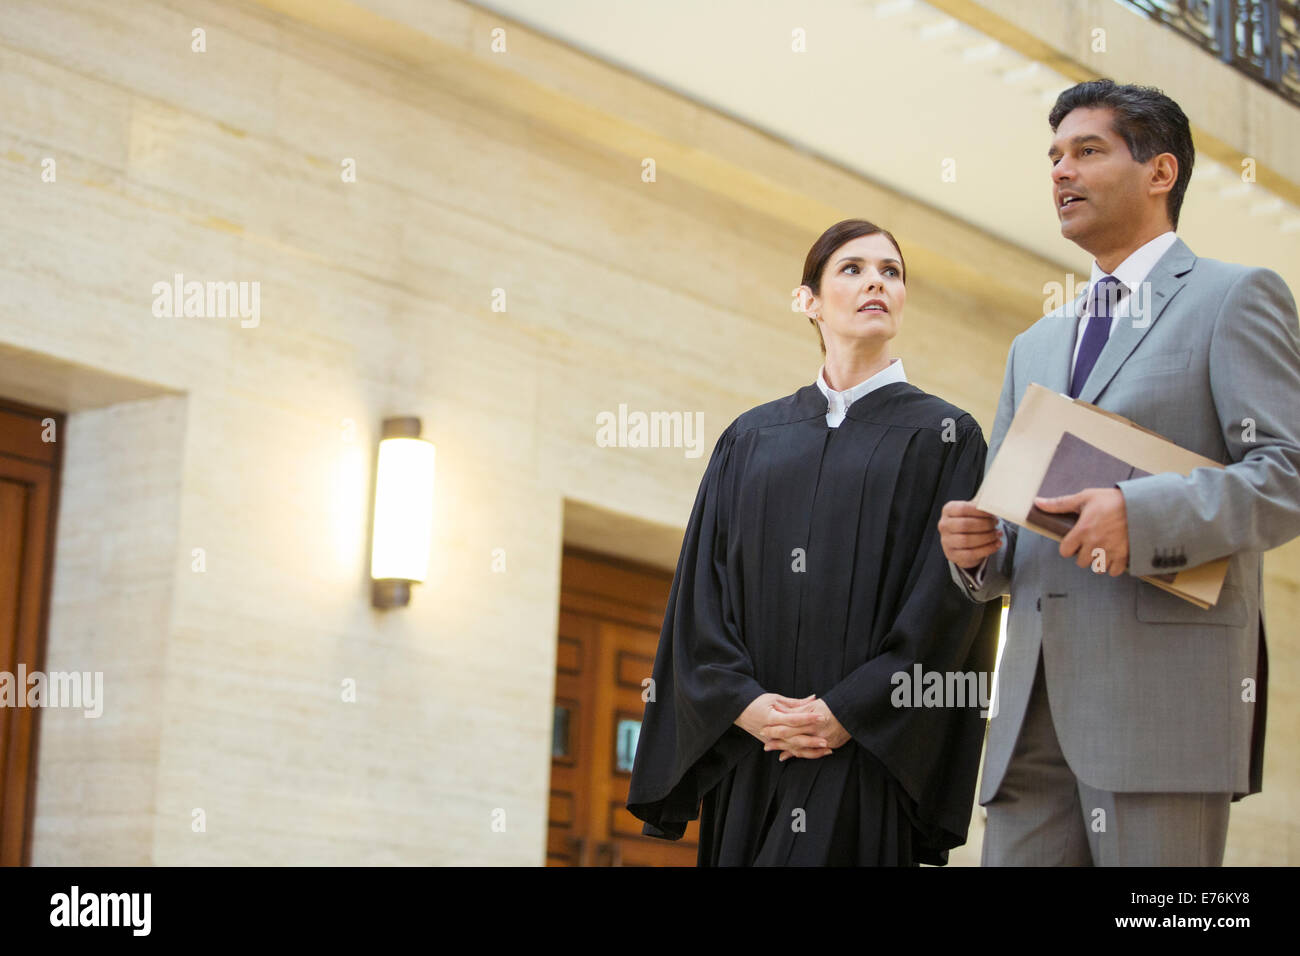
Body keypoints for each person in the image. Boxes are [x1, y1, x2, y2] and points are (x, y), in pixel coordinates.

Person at [939, 79, 1300, 865]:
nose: (1061, 171)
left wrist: (1143, 515)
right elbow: (1013, 528)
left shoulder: (1235, 298)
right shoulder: (1033, 345)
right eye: (1055, 157)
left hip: (1161, 713)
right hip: (1030, 716)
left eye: (1087, 151)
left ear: (1160, 172)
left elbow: (1287, 474)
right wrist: (979, 552)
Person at [626, 219, 1002, 866]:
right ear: (808, 300)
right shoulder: (752, 439)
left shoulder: (945, 437)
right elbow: (699, 596)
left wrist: (847, 712)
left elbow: (948, 609)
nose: (876, 282)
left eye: (891, 271)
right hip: (751, 753)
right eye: (852, 269)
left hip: (862, 755)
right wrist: (743, 705)